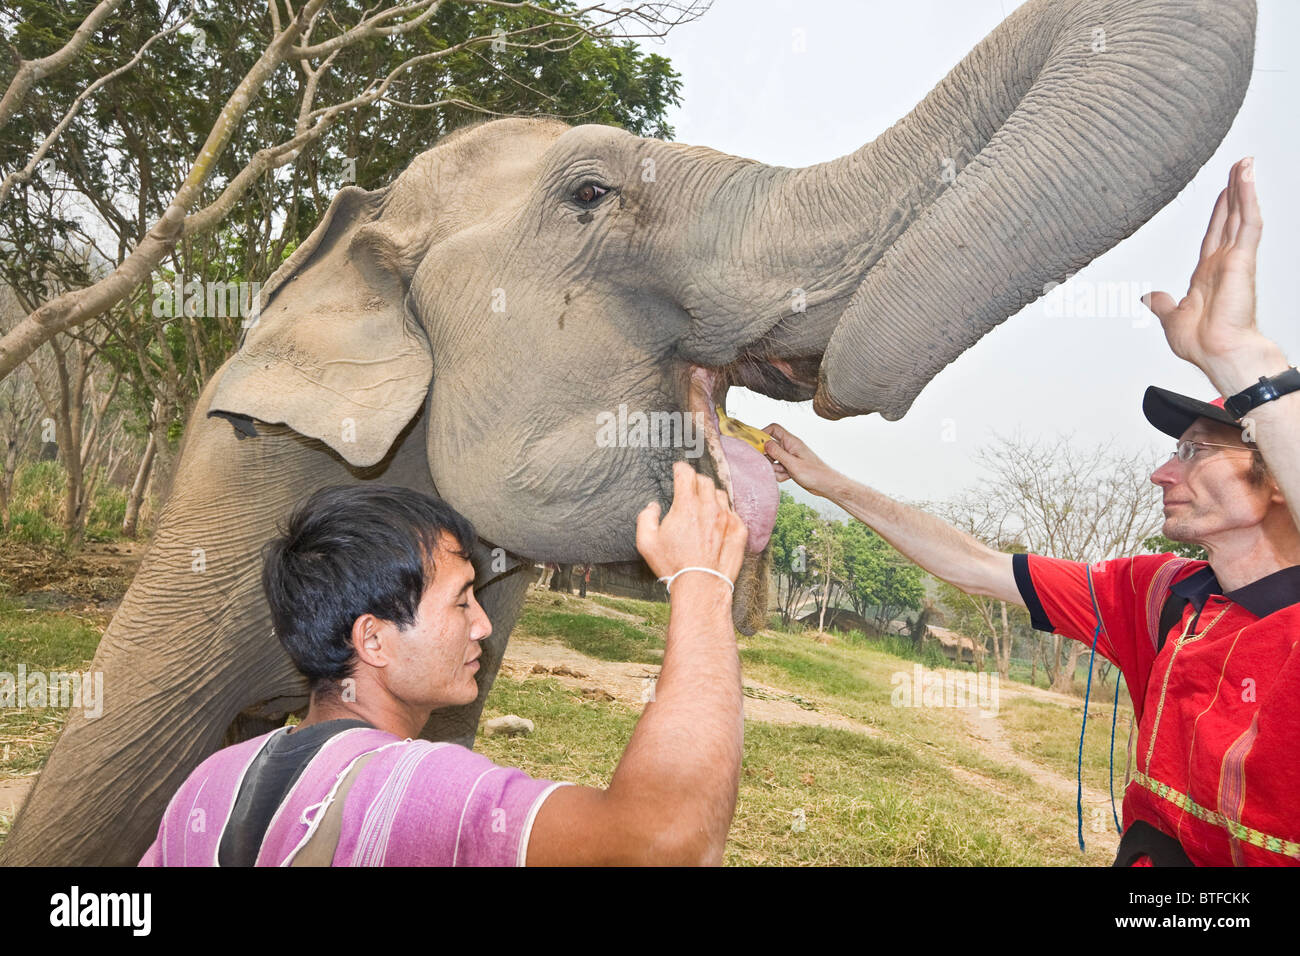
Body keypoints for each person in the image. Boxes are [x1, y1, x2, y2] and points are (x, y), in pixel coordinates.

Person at [763, 158, 1300, 867]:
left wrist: (1241, 360)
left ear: (1275, 484)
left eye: (1197, 452)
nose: (1162, 471)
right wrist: (830, 482)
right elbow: (979, 567)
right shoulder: (1160, 594)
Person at [139, 461, 747, 866]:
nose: (483, 624)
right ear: (372, 641)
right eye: (460, 601)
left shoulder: (213, 781)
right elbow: (665, 841)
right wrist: (702, 585)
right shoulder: (417, 792)